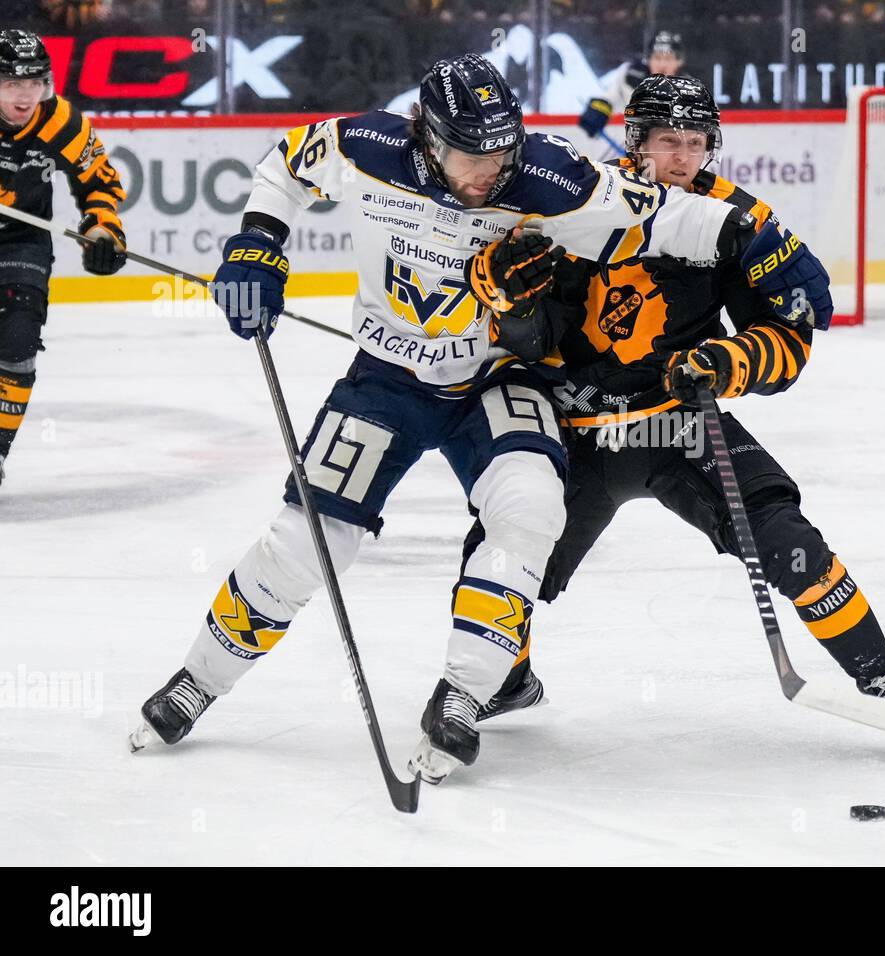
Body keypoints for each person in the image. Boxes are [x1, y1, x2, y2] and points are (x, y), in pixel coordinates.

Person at [130, 54, 819, 786]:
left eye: (500, 151)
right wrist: (257, 244)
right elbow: (287, 163)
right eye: (470, 153)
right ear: (426, 136)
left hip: (496, 379)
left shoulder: (550, 176)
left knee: (528, 511)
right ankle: (199, 680)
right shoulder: (369, 147)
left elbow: (661, 215)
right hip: (384, 383)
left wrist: (763, 243)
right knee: (307, 541)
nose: (488, 171)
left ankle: (466, 693)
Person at [467, 74, 885, 756]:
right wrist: (510, 310)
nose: (683, 158)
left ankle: (880, 678)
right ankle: (503, 678)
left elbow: (793, 328)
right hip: (578, 429)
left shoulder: (733, 219)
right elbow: (532, 332)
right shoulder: (576, 205)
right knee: (503, 546)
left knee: (789, 539)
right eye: (668, 142)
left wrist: (729, 361)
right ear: (635, 143)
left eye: (696, 143)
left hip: (677, 424)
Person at [0, 29, 126, 489]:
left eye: (34, 82)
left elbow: (99, 181)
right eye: (13, 83)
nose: (25, 95)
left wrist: (102, 229)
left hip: (22, 241)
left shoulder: (62, 121)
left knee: (18, 339)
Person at [577, 30, 684, 159]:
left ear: (679, 62)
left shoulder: (689, 89)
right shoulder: (631, 76)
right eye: (657, 58)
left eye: (668, 59)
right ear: (648, 60)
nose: (662, 64)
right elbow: (609, 97)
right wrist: (598, 109)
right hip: (629, 153)